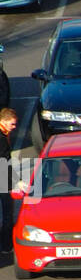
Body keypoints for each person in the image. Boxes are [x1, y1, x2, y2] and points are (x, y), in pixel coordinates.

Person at [0, 107, 16, 252]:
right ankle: (6, 245)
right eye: (12, 124)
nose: (14, 127)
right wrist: (15, 183)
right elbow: (5, 162)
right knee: (7, 213)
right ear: (3, 121)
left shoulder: (3, 134)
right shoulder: (2, 139)